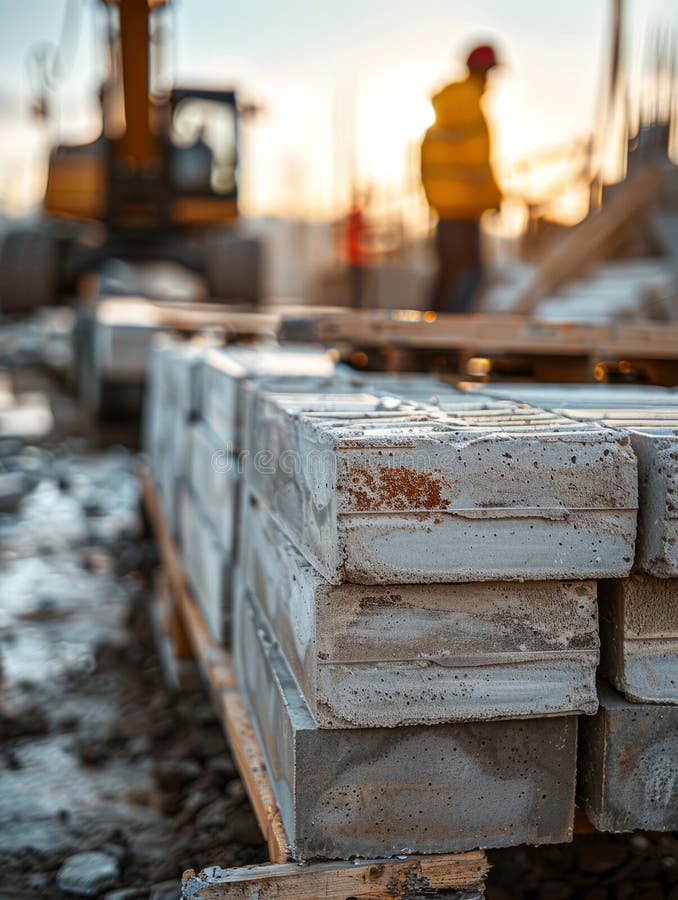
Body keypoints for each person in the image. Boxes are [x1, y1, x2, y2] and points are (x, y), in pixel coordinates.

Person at [421, 44, 502, 313]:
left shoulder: (448, 104)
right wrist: (495, 198)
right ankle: (447, 337)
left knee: (448, 274)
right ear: (483, 72)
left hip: (444, 206)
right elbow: (478, 162)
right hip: (465, 204)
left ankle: (433, 335)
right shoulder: (470, 107)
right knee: (471, 272)